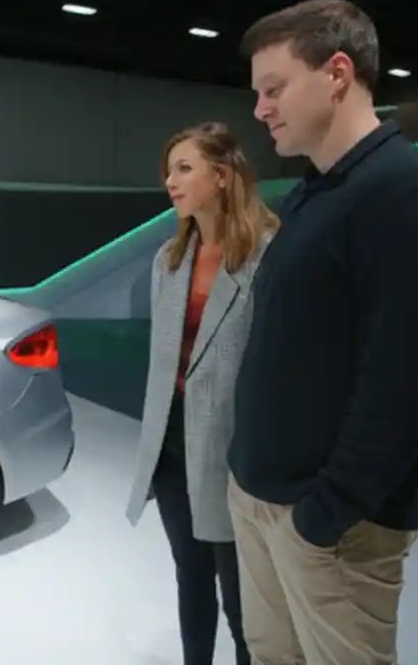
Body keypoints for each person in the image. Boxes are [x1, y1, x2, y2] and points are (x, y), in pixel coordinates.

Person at [226, 0, 418, 665]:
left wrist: (324, 517)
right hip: (262, 498)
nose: (261, 110)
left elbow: (405, 384)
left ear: (337, 73)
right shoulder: (315, 191)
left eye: (274, 89)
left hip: (333, 528)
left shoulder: (408, 194)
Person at [126, 122, 279, 665]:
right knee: (190, 576)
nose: (170, 181)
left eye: (184, 168)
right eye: (168, 171)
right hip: (171, 445)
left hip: (232, 451)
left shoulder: (268, 255)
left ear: (222, 175)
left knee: (242, 601)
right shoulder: (168, 259)